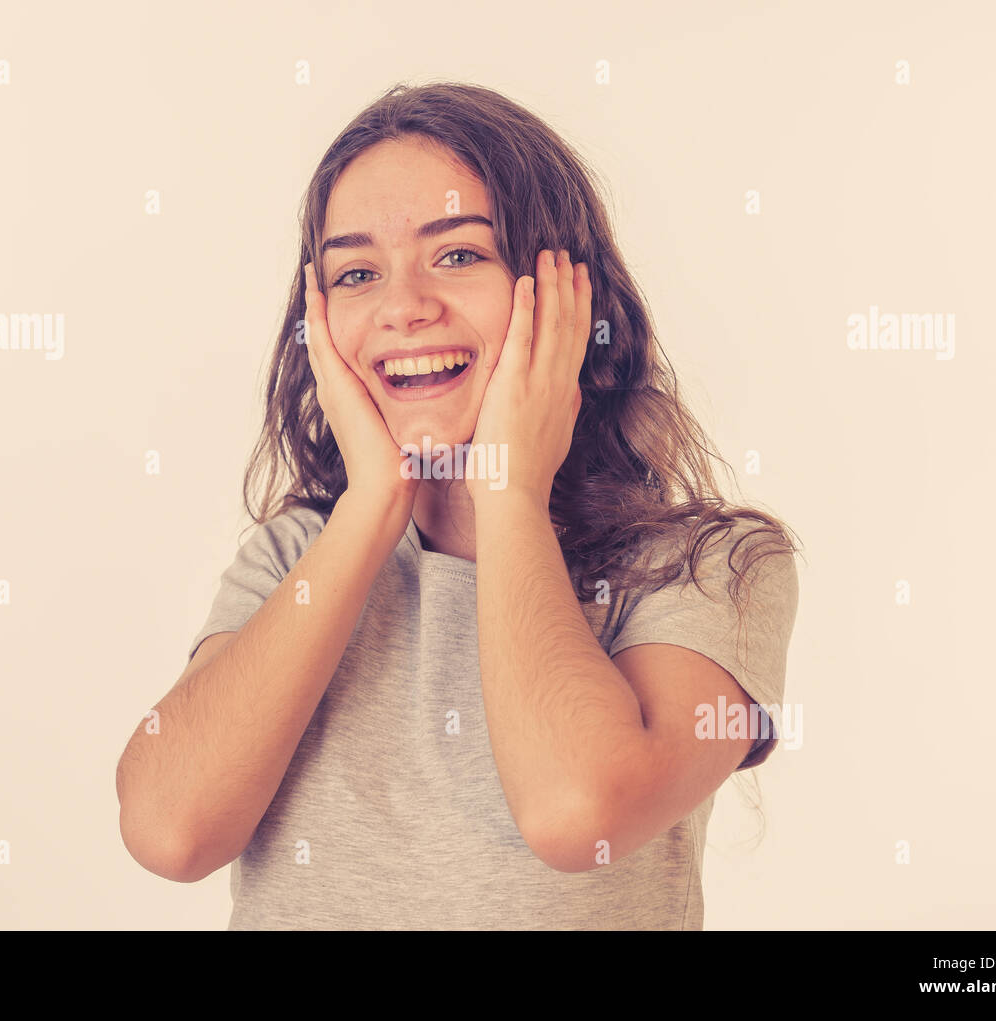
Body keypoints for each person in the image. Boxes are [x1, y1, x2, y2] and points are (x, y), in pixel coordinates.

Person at [116, 81, 802, 930]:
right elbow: (167, 830)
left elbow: (574, 813)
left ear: (564, 297)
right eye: (357, 273)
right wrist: (373, 501)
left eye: (458, 255)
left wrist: (508, 485)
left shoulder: (709, 569)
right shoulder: (294, 556)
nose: (404, 307)